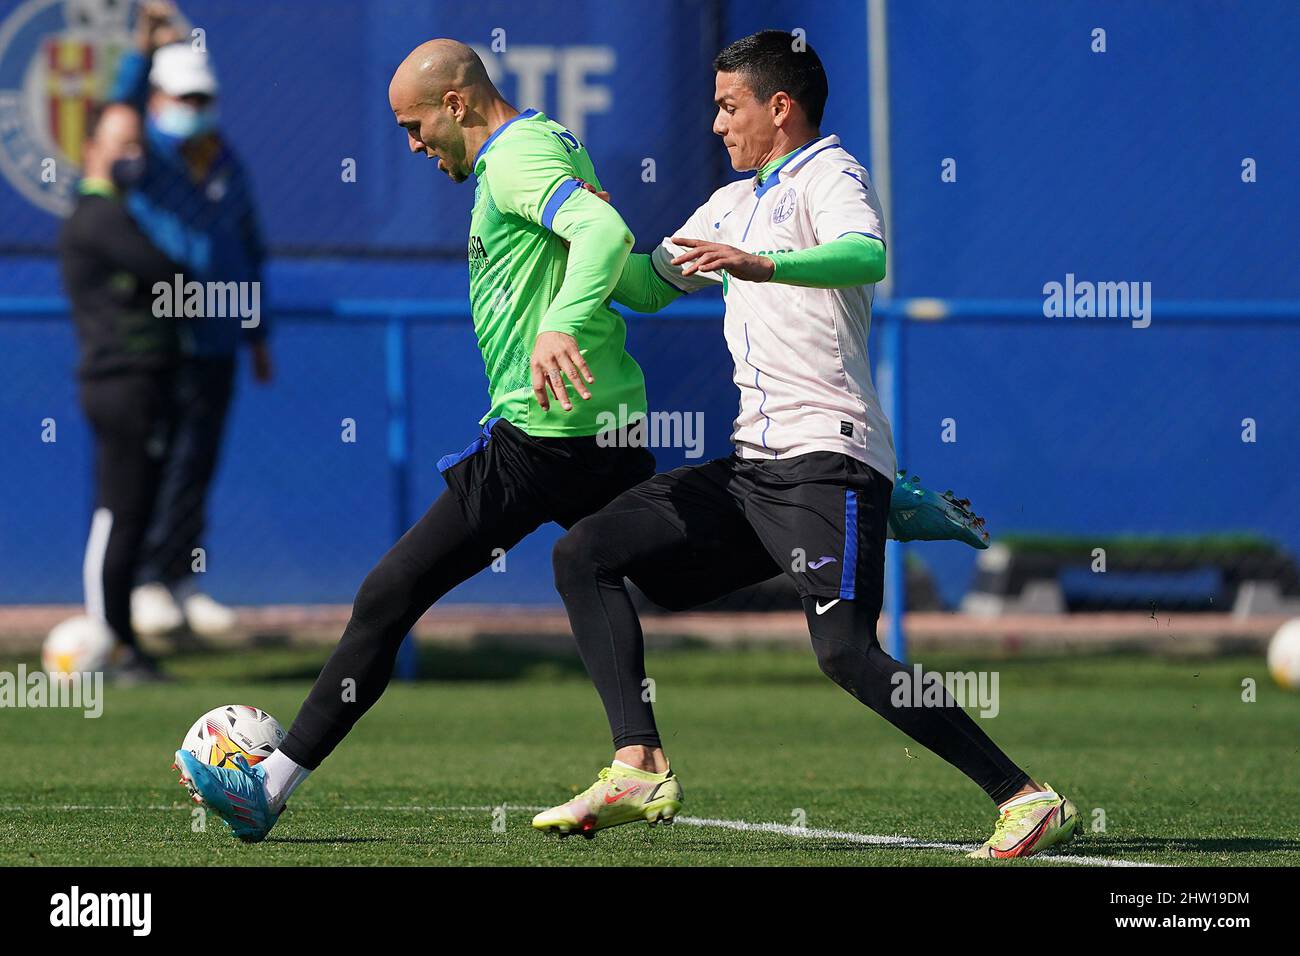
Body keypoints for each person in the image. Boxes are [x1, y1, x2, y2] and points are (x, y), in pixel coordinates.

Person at [174, 36, 992, 845]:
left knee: (391, 593)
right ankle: (657, 736)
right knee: (640, 572)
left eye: (414, 126)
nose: (414, 143)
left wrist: (564, 320)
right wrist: (669, 265)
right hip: (601, 432)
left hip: (546, 437)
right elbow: (634, 277)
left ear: (455, 103)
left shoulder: (521, 154)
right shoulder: (554, 146)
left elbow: (601, 236)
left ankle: (270, 787)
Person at [532, 31, 1078, 860]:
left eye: (728, 106)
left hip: (829, 456)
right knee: (588, 554)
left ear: (778, 107)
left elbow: (867, 254)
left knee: (847, 656)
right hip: (756, 466)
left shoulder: (831, 173)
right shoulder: (728, 201)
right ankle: (636, 764)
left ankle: (1025, 796)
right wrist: (585, 229)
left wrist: (762, 263)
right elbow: (645, 285)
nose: (717, 125)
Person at [109, 2, 271, 638]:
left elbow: (250, 245)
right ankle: (145, 581)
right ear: (155, 97)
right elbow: (112, 121)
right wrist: (141, 51)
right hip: (157, 335)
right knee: (154, 460)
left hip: (218, 337)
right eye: (181, 96)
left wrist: (257, 333)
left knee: (197, 461)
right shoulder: (141, 154)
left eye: (201, 96)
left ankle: (180, 578)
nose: (193, 107)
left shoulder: (224, 160)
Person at [58, 103, 183, 682]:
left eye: (139, 145)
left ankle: (119, 641)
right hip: (120, 384)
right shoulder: (98, 216)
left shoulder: (117, 213)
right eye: (120, 145)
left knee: (130, 513)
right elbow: (166, 271)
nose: (133, 156)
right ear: (91, 149)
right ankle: (113, 644)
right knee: (119, 515)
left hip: (142, 382)